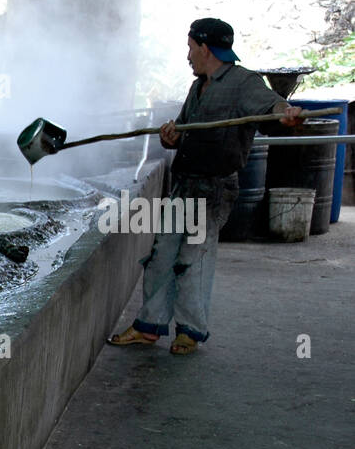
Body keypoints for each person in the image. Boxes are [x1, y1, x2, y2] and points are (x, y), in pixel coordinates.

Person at [108, 18, 305, 354]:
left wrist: (287, 112)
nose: (188, 55)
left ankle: (190, 331)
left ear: (205, 47)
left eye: (190, 48)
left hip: (212, 188)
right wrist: (171, 138)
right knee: (161, 255)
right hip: (184, 183)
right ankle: (149, 326)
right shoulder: (198, 86)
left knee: (193, 259)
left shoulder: (244, 82)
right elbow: (182, 132)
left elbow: (271, 106)